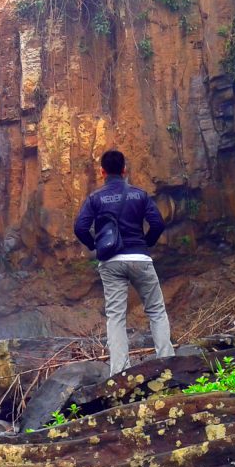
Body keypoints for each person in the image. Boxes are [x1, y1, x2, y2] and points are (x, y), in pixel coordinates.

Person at [74, 149, 175, 375]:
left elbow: (80, 228)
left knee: (116, 316)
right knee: (156, 310)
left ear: (102, 172)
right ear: (124, 170)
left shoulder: (95, 198)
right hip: (139, 257)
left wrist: (94, 246)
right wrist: (145, 244)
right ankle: (167, 363)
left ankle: (119, 372)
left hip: (111, 261)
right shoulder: (139, 195)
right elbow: (158, 224)